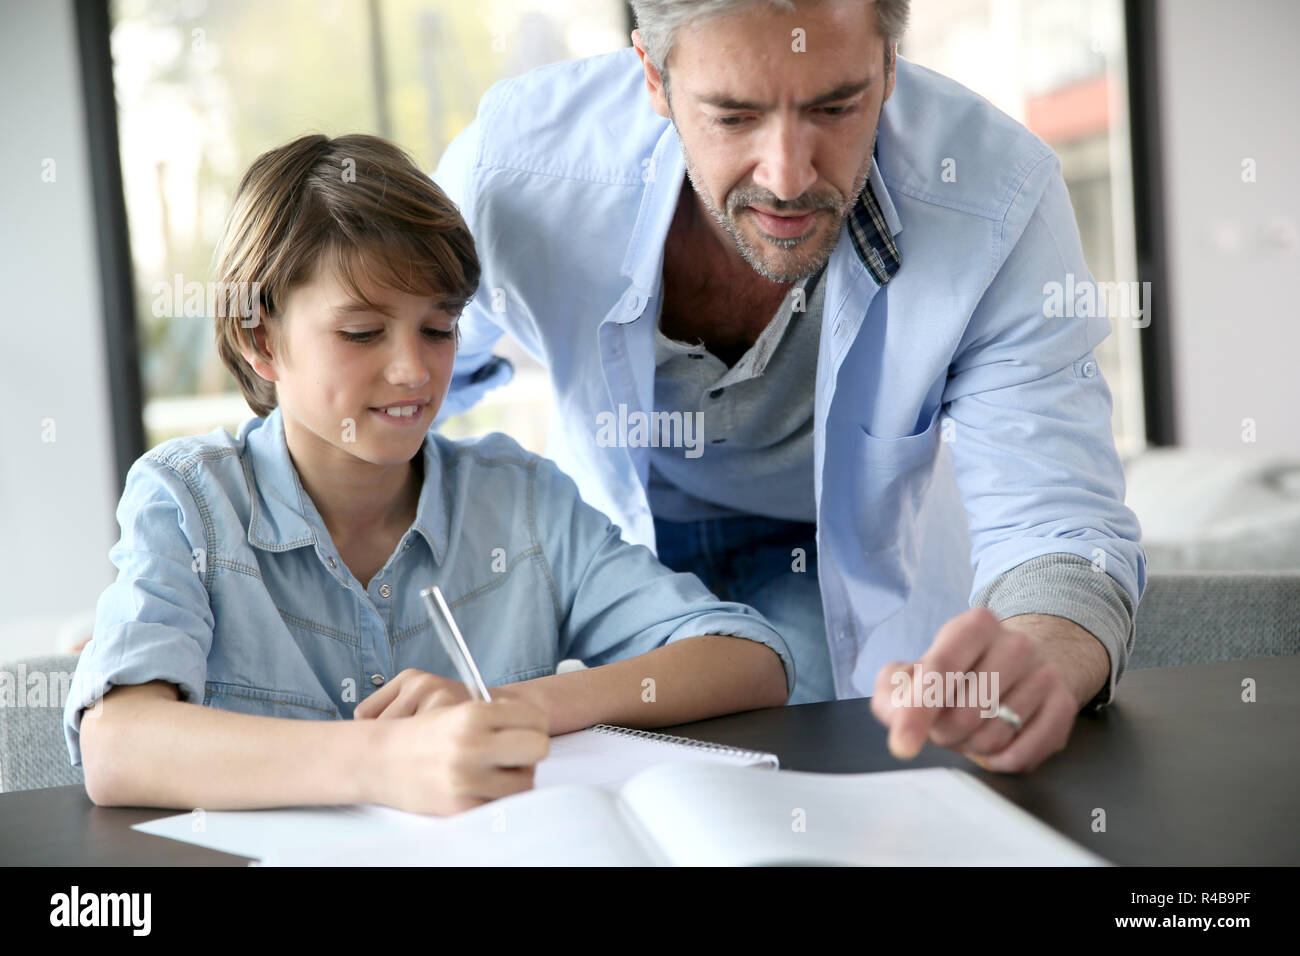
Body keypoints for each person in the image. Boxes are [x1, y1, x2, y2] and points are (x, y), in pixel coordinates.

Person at [432, 0, 1146, 771]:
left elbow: (1060, 529)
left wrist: (1038, 651)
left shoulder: (994, 199)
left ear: (890, 67)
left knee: (808, 782)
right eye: (734, 116)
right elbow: (399, 385)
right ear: (654, 76)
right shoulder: (519, 172)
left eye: (836, 107)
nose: (788, 176)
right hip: (624, 552)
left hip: (820, 556)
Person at [63, 133, 792, 817]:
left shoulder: (520, 500)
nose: (414, 370)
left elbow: (751, 662)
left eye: (439, 329)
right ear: (261, 338)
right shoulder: (188, 500)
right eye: (362, 332)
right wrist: (384, 759)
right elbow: (118, 746)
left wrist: (520, 707)